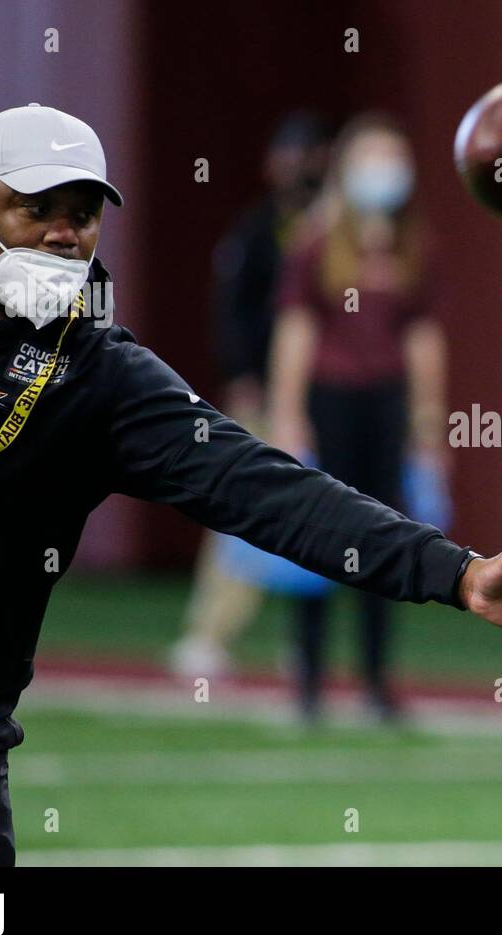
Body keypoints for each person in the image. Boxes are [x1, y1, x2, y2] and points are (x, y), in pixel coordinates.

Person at [0, 104, 502, 866]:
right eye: (36, 210)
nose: (63, 234)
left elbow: (268, 490)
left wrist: (457, 572)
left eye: (83, 213)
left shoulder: (102, 380)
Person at [268, 113, 449, 721]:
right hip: (330, 400)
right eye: (372, 159)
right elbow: (296, 329)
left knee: (383, 537)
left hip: (385, 402)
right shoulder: (315, 242)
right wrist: (289, 414)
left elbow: (423, 335)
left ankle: (375, 680)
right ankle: (309, 680)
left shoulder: (412, 244)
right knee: (317, 537)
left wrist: (429, 421)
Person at [169, 112, 331, 680]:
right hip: (266, 395)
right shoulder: (257, 230)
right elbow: (231, 310)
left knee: (319, 515)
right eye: (289, 154)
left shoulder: (338, 230)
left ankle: (304, 643)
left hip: (328, 397)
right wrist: (241, 375)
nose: (298, 166)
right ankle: (208, 633)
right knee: (242, 509)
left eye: (307, 154)